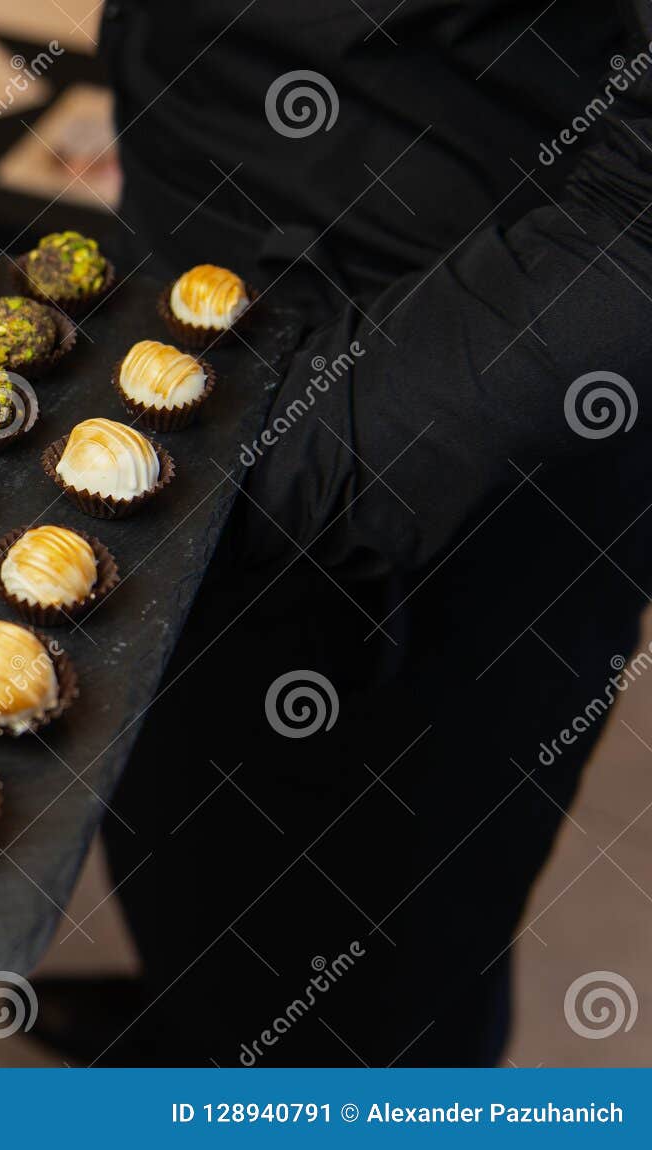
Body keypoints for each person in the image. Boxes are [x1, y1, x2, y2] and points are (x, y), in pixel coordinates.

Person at [39, 0, 652, 1065]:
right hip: (195, 280)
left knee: (376, 972)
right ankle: (199, 1017)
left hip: (456, 425)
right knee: (185, 827)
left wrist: (315, 451)